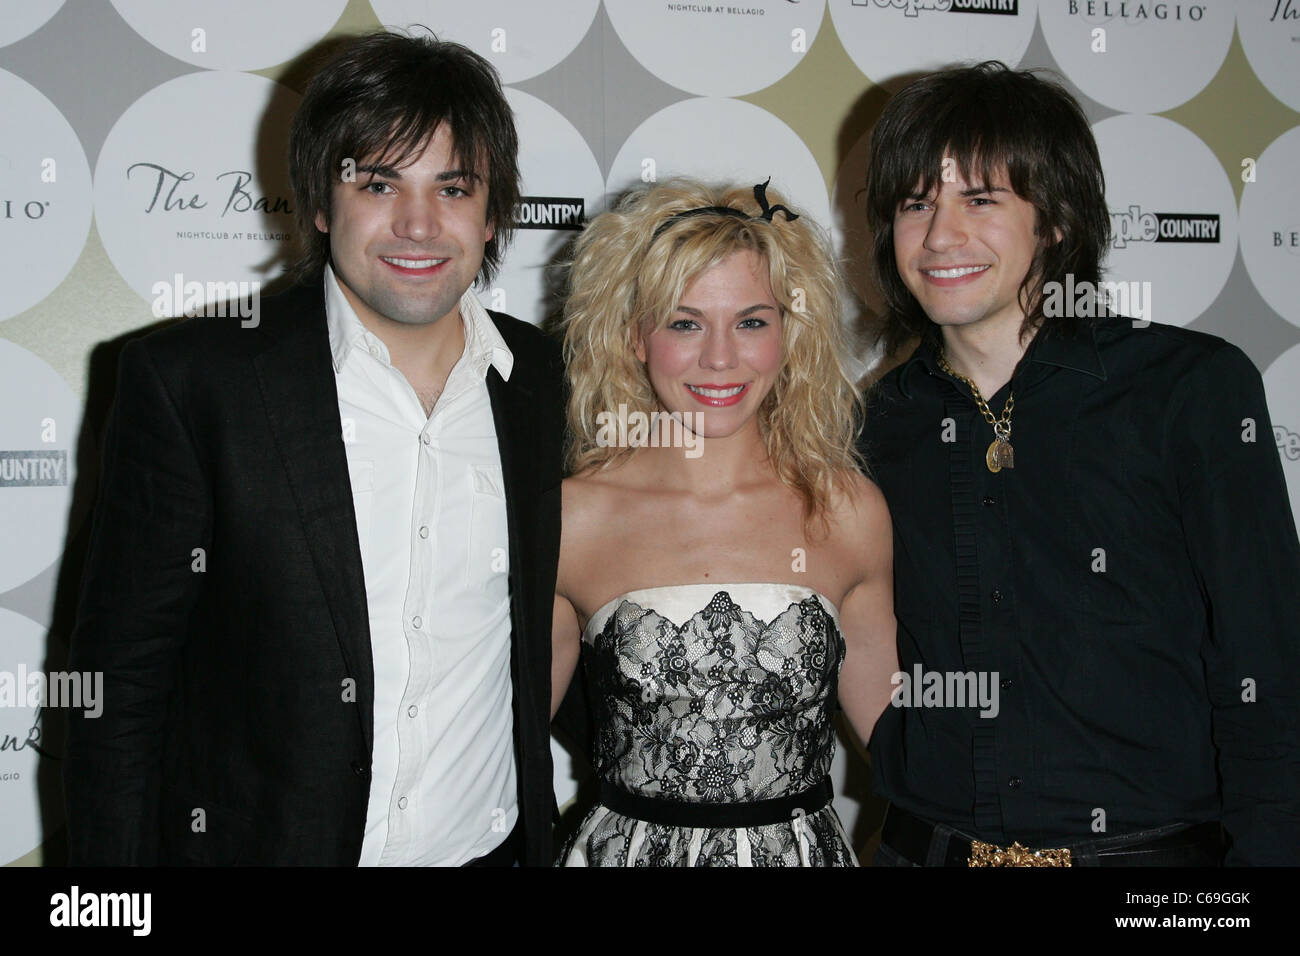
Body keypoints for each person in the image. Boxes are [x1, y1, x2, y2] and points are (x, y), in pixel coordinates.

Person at [62, 31, 565, 866]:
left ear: (493, 210)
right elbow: (120, 684)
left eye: (453, 186)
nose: (418, 223)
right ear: (322, 203)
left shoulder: (540, 378)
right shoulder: (194, 382)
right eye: (377, 182)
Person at [859, 61, 1300, 866]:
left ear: (1056, 221)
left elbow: (1268, 668)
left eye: (981, 199)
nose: (940, 234)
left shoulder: (1190, 390)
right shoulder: (874, 428)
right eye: (915, 203)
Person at [550, 178, 898, 866]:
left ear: (789, 334)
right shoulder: (571, 517)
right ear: (632, 338)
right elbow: (496, 742)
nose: (719, 357)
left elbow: (908, 747)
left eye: (751, 321)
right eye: (684, 323)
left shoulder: (848, 510)